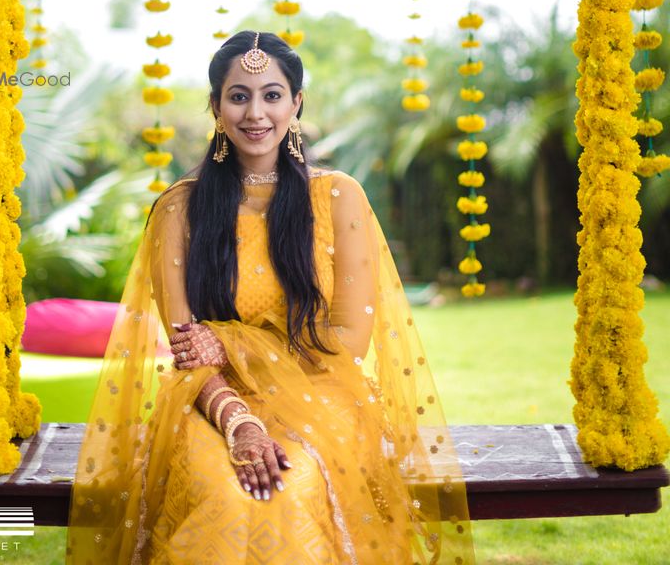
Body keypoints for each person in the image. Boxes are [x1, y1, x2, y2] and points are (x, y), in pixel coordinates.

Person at [66, 30, 474, 565]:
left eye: (272, 95)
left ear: (296, 104)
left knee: (292, 485)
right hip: (212, 402)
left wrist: (228, 341)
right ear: (215, 107)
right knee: (223, 494)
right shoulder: (179, 210)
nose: (255, 112)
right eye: (238, 96)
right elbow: (190, 350)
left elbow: (347, 342)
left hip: (322, 396)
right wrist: (240, 422)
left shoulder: (337, 196)